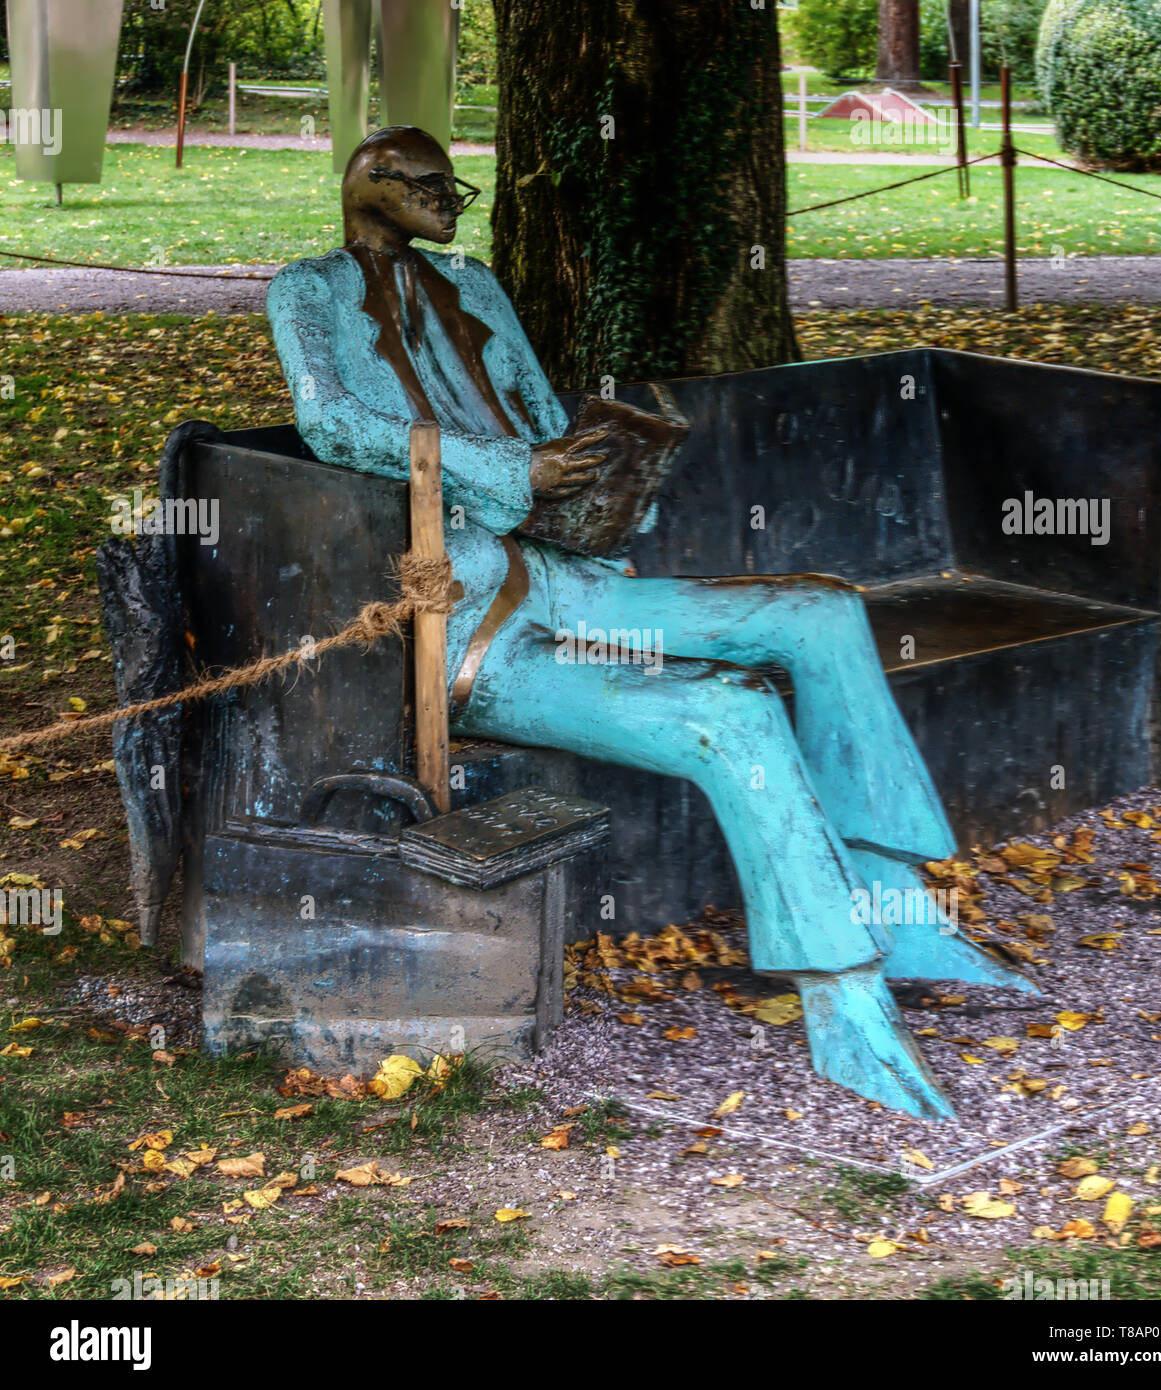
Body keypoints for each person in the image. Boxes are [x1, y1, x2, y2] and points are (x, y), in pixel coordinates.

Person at [267, 126, 1035, 1119]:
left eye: (454, 187)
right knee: (731, 714)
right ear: (370, 186)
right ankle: (841, 997)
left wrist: (610, 479)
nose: (450, 202)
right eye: (427, 186)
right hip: (466, 621)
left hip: (571, 574)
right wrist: (511, 473)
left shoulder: (477, 287)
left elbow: (549, 420)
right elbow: (331, 422)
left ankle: (901, 914)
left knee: (822, 614)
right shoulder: (305, 290)